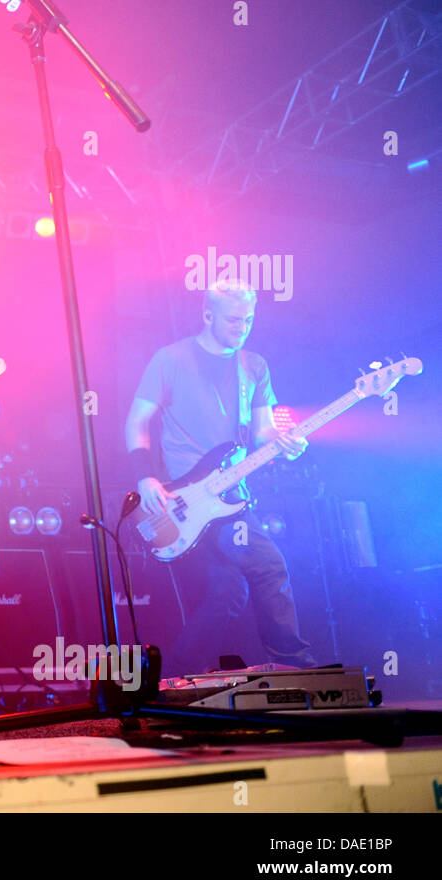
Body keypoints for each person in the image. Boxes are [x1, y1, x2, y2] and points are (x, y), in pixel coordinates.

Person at [125, 280, 319, 677]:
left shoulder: (255, 365)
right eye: (234, 320)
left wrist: (286, 442)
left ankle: (174, 680)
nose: (242, 327)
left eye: (249, 320)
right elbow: (136, 421)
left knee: (227, 594)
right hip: (183, 500)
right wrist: (145, 477)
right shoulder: (170, 359)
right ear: (208, 315)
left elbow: (264, 431)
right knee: (267, 567)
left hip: (231, 497)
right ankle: (297, 668)